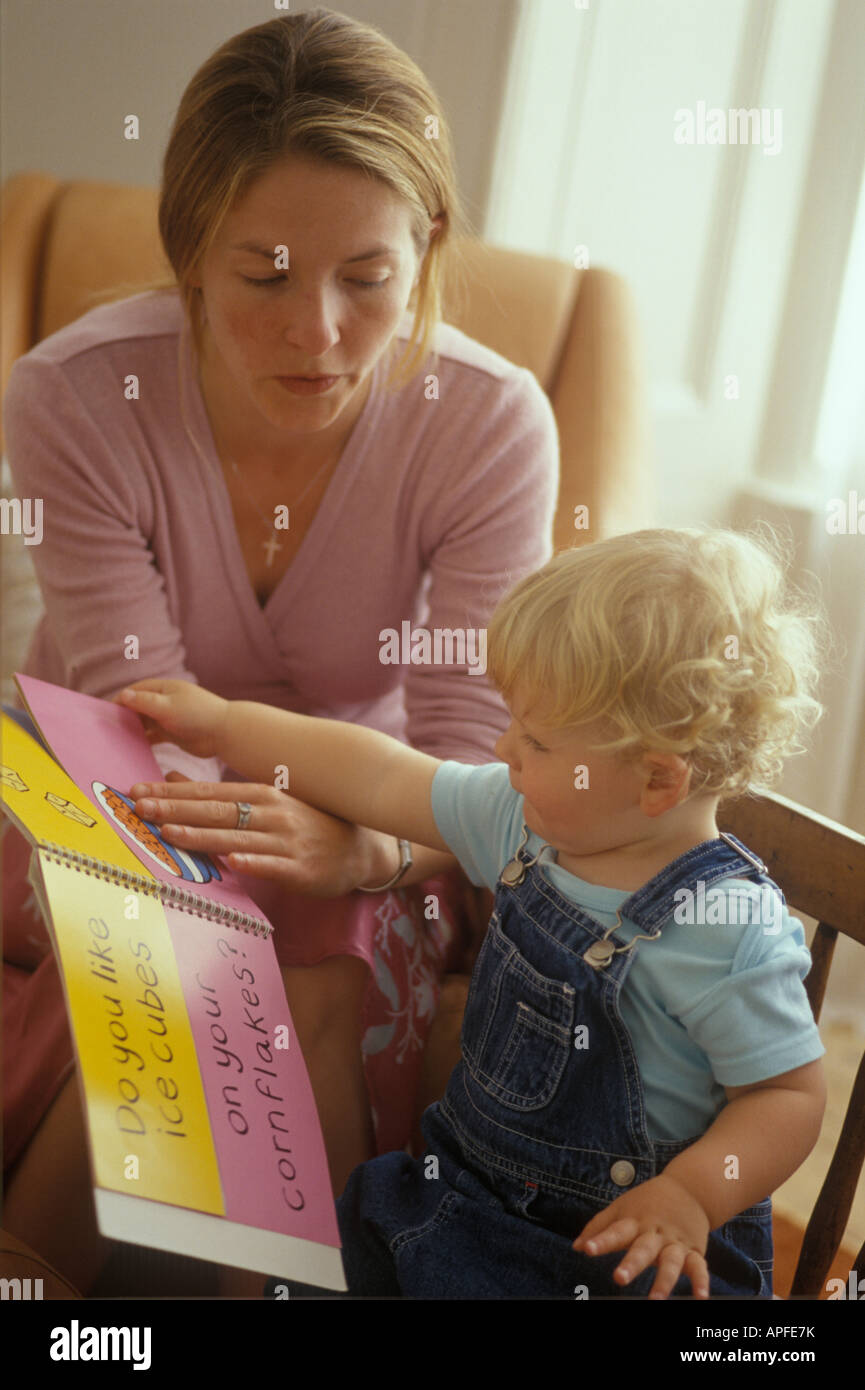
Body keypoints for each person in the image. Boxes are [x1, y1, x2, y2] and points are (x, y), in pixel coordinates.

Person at [1, 9, 557, 1292]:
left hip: (384, 807)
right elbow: (126, 708)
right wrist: (257, 858)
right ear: (189, 251)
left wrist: (370, 843)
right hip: (107, 788)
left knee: (315, 923)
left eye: (367, 277)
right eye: (263, 274)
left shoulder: (487, 424)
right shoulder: (75, 394)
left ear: (427, 249)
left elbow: (478, 752)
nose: (316, 332)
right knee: (204, 931)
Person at [119, 525, 828, 1299]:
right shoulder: (521, 820)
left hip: (623, 1253)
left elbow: (785, 1096)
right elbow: (381, 774)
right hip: (457, 1206)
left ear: (656, 781)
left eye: (536, 739)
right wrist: (226, 725)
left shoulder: (727, 928)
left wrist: (692, 1194)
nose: (504, 747)